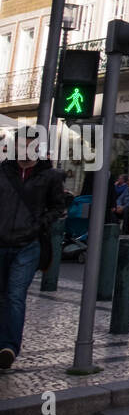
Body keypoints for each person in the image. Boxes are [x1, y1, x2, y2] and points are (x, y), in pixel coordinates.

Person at [0, 131, 67, 370]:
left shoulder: (50, 176)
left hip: (28, 244)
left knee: (15, 295)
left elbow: (58, 207)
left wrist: (38, 225)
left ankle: (8, 347)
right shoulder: (3, 171)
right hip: (1, 241)